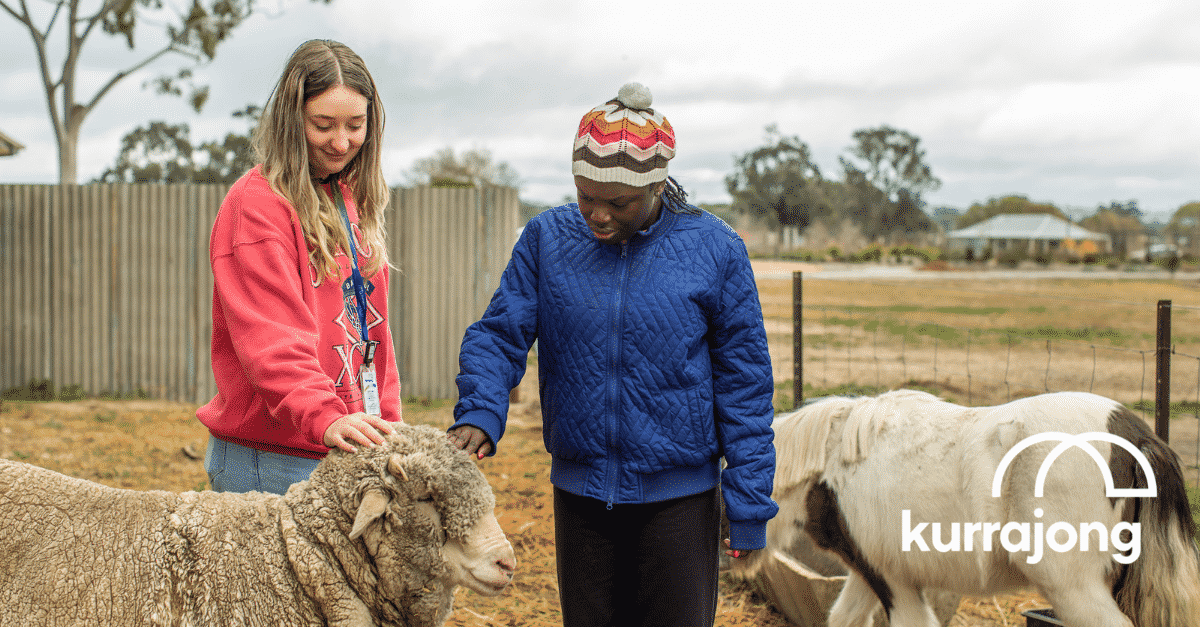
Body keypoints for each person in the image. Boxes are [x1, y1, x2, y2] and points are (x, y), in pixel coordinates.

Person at [448, 82, 778, 627]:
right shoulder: (547, 239)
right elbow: (499, 334)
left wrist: (748, 504)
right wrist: (481, 410)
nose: (597, 215)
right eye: (586, 196)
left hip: (680, 501)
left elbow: (744, 384)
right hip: (581, 496)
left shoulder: (715, 249)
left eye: (618, 203)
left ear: (656, 186)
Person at [197, 39, 400, 495]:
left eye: (356, 125)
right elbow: (271, 339)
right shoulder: (257, 206)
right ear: (292, 120)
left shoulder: (350, 201)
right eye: (323, 125)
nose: (341, 142)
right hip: (271, 459)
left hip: (343, 446)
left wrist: (388, 425)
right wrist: (324, 416)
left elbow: (374, 334)